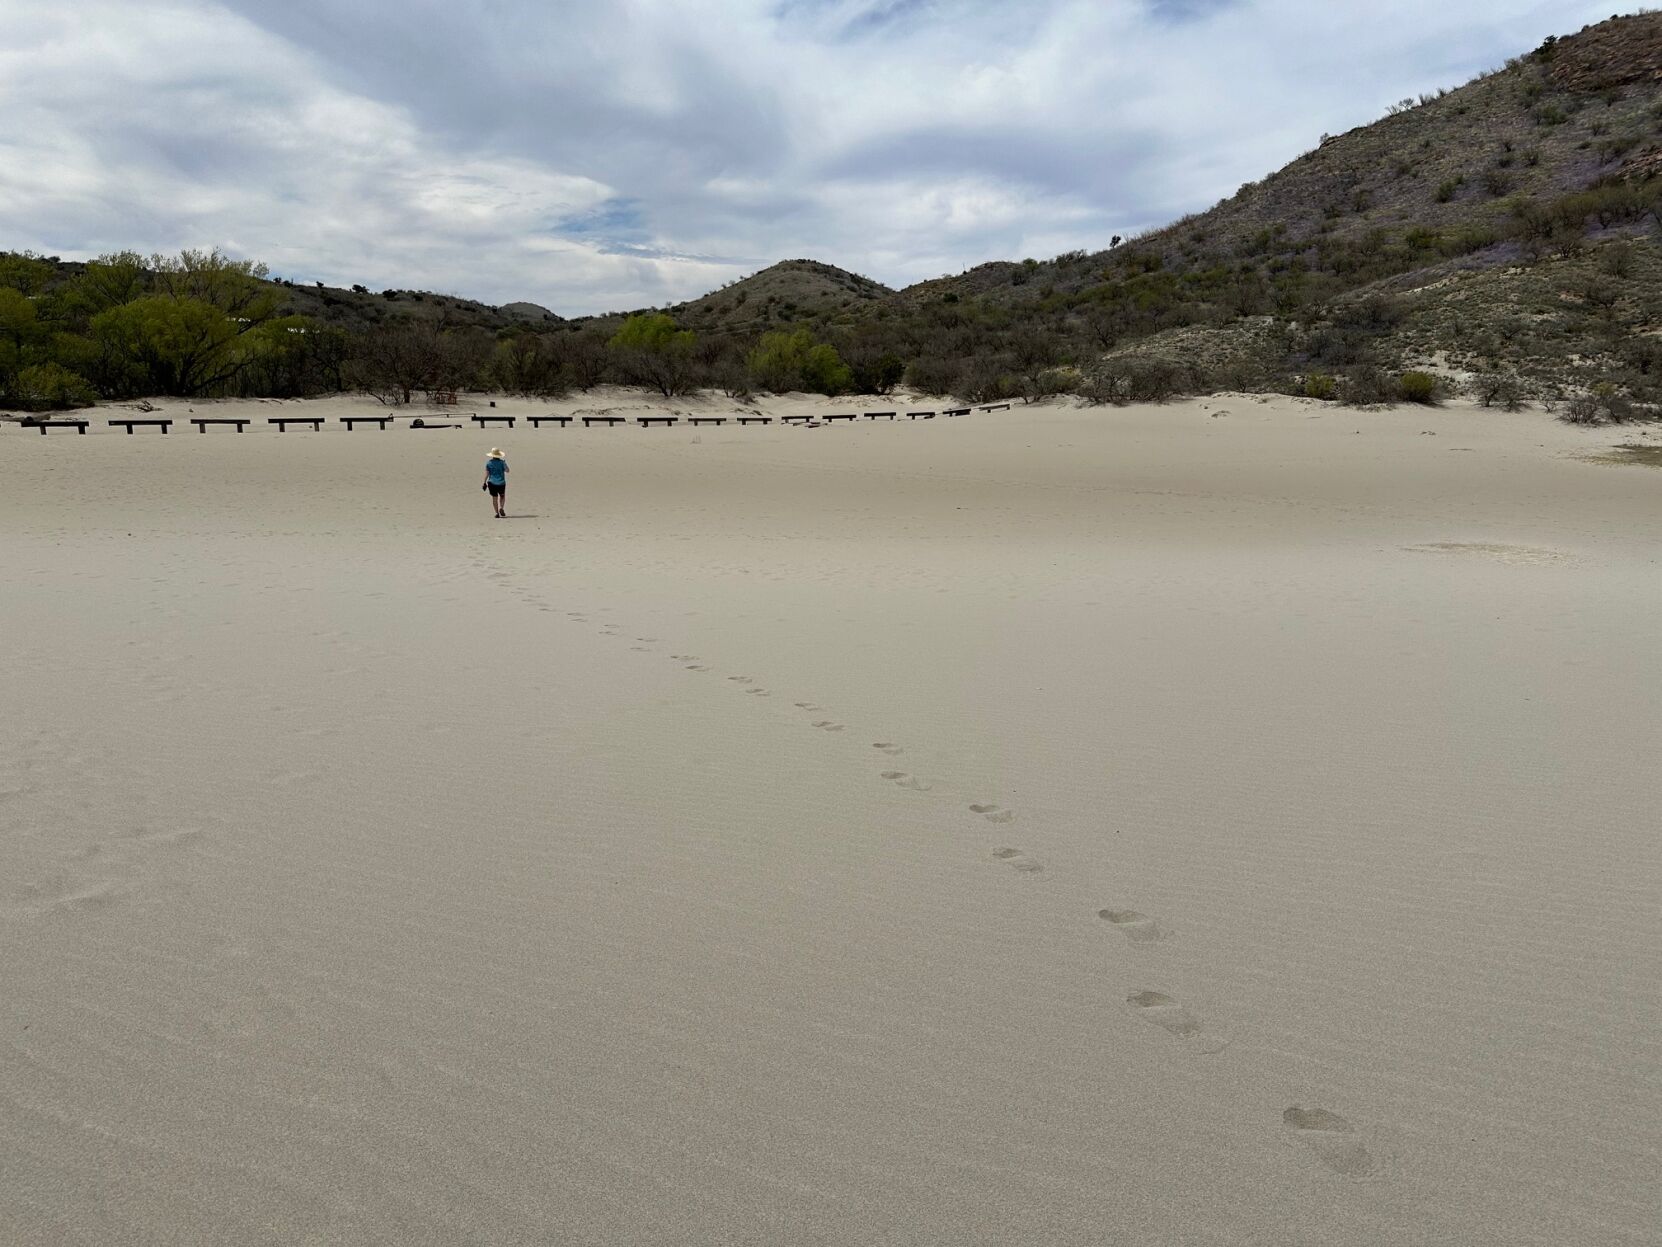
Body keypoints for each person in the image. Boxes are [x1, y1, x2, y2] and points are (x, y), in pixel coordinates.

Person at [482, 447, 509, 517]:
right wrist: (505, 464)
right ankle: (501, 508)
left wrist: (484, 482)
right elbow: (507, 470)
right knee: (502, 496)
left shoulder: (489, 463)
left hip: (492, 483)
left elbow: (487, 474)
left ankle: (496, 513)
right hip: (501, 483)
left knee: (494, 498)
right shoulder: (502, 462)